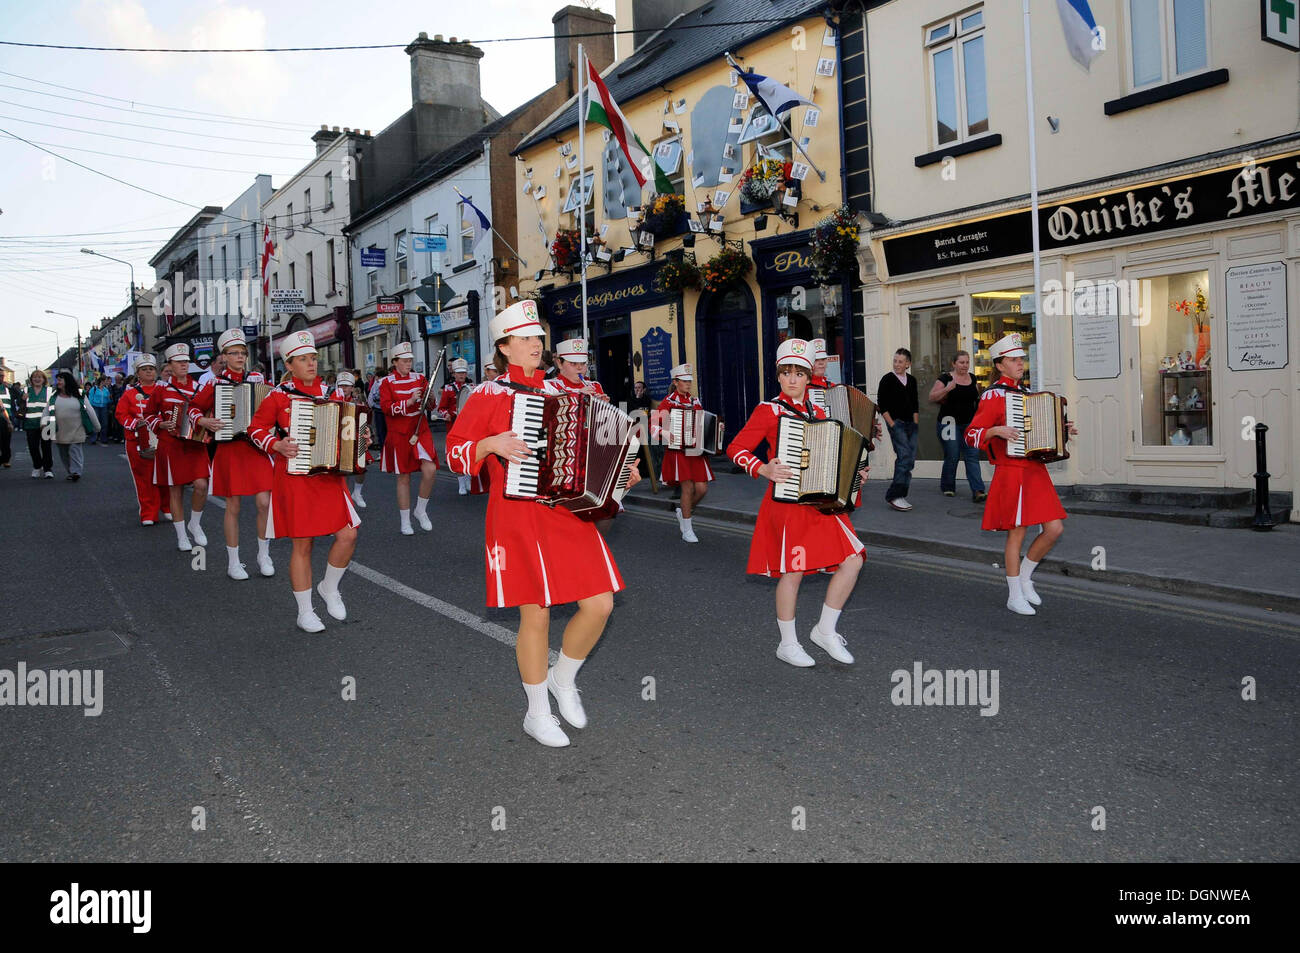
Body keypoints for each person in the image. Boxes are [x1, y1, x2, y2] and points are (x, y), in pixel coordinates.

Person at [445, 300, 641, 748]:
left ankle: (563, 677)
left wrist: (620, 474)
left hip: (565, 512)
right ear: (504, 347)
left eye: (538, 338)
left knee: (600, 604)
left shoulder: (564, 394)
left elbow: (594, 448)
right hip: (516, 514)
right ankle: (536, 712)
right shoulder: (488, 395)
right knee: (536, 614)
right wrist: (489, 443)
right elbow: (454, 453)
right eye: (526, 339)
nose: (536, 345)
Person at [726, 338, 869, 668]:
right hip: (787, 504)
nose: (792, 379)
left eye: (799, 373)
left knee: (853, 560)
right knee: (793, 573)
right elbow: (736, 448)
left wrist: (854, 474)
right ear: (778, 376)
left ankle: (825, 630)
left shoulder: (820, 412)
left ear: (808, 377)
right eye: (786, 373)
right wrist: (762, 467)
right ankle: (788, 643)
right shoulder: (768, 410)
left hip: (820, 504)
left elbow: (833, 456)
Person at [247, 331, 360, 633]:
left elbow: (347, 431)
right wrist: (276, 445)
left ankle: (330, 587)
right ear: (290, 364)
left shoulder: (332, 394)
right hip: (295, 478)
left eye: (313, 358)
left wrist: (361, 442)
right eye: (303, 359)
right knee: (303, 544)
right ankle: (305, 611)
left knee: (348, 535)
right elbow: (255, 429)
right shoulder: (278, 396)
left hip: (328, 479)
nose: (311, 363)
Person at [964, 333, 1077, 616]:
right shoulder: (992, 395)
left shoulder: (1026, 395)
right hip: (1011, 471)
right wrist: (995, 431)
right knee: (1017, 535)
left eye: (1021, 360)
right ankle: (1014, 594)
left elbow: (1039, 432)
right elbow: (971, 435)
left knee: (1054, 529)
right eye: (1013, 360)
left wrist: (1063, 431)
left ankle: (1026, 577)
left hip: (1034, 470)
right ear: (1000, 365)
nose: (1019, 364)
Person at [186, 329, 275, 580]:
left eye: (242, 353)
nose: (239, 357)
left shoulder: (257, 380)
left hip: (256, 448)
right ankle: (233, 561)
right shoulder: (214, 383)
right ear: (223, 356)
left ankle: (263, 554)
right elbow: (192, 408)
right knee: (233, 506)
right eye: (233, 353)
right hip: (229, 449)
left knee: (264, 502)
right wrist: (205, 420)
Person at [143, 343, 211, 551]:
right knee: (176, 490)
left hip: (195, 443)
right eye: (179, 362)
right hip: (171, 444)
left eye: (186, 361)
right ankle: (182, 536)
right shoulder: (161, 389)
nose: (183, 365)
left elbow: (207, 410)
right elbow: (148, 414)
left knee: (201, 485)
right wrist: (160, 424)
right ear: (170, 365)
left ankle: (195, 523)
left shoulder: (199, 387)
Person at [379, 343, 438, 535]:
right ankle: (405, 521)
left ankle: (421, 510)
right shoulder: (386, 382)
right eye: (404, 361)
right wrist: (410, 401)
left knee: (430, 469)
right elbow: (387, 408)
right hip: (399, 433)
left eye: (410, 360)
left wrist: (430, 399)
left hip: (420, 429)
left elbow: (430, 406)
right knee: (404, 477)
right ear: (395, 362)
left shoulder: (420, 378)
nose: (408, 364)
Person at [654, 363, 714, 544]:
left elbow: (704, 421)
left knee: (702, 489)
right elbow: (653, 425)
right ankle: (687, 528)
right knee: (687, 488)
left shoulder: (695, 401)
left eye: (690, 381)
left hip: (696, 450)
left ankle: (683, 511)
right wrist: (665, 432)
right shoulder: (668, 402)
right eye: (684, 381)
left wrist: (715, 429)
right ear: (676, 382)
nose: (688, 384)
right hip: (678, 451)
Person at [115, 354, 169, 525]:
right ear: (138, 373)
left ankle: (167, 507)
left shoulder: (164, 390)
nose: (148, 372)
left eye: (151, 369)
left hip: (162, 439)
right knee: (144, 478)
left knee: (166, 475)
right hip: (138, 441)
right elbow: (121, 414)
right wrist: (135, 424)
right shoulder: (129, 394)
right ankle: (148, 513)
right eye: (144, 369)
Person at [928, 350, 987, 501]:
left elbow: (976, 399)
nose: (965, 365)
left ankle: (978, 490)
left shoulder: (972, 378)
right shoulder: (946, 378)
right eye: (961, 362)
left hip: (969, 424)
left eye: (967, 362)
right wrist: (947, 388)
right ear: (954, 364)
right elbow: (932, 396)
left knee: (972, 456)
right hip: (949, 423)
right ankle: (948, 486)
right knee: (952, 455)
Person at [877, 347, 919, 511]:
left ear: (908, 364)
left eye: (900, 361)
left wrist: (915, 423)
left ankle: (900, 493)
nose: (897, 364)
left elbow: (915, 402)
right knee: (904, 456)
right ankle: (895, 495)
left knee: (910, 459)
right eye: (895, 361)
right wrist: (892, 424)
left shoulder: (912, 380)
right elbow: (882, 404)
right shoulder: (887, 379)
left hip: (911, 424)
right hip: (897, 423)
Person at [437, 358, 477, 495]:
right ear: (453, 373)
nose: (462, 375)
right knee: (457, 454)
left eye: (464, 373)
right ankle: (461, 483)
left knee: (468, 453)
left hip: (469, 427)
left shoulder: (473, 387)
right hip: (453, 426)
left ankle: (468, 479)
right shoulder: (448, 389)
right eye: (459, 373)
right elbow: (441, 408)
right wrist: (446, 414)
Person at [331, 370, 369, 509]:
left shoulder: (357, 400)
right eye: (341, 385)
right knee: (342, 471)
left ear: (352, 387)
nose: (344, 388)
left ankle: (357, 493)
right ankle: (343, 498)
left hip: (354, 436)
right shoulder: (332, 398)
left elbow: (365, 418)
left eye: (347, 386)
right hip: (337, 439)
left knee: (362, 465)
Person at [52, 370, 99, 481]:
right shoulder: (54, 396)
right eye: (57, 380)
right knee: (63, 452)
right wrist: (45, 428)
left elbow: (89, 410)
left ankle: (76, 471)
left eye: (60, 380)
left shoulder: (80, 394)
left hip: (76, 427)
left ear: (67, 381)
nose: (58, 382)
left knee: (75, 449)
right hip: (60, 429)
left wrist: (97, 426)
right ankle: (70, 471)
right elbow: (47, 411)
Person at [22, 369, 55, 479]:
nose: (37, 379)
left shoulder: (50, 391)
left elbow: (53, 408)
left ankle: (47, 469)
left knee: (46, 447)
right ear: (31, 379)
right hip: (30, 424)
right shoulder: (26, 390)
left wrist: (52, 423)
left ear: (44, 379)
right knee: (33, 447)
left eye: (39, 377)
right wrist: (22, 399)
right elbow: (19, 406)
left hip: (46, 424)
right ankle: (37, 466)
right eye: (35, 377)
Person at [86, 377, 111, 445]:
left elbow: (108, 398)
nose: (106, 382)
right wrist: (90, 407)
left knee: (104, 423)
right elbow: (90, 398)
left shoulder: (106, 390)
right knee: (95, 422)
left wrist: (109, 401)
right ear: (102, 381)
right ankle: (93, 438)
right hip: (95, 406)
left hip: (104, 407)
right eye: (105, 381)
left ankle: (103, 438)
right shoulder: (94, 389)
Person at [0, 379, 13, 468]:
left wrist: (8, 422)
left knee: (5, 442)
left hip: (2, 420)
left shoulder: (7, 388)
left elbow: (2, 408)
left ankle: (5, 459)